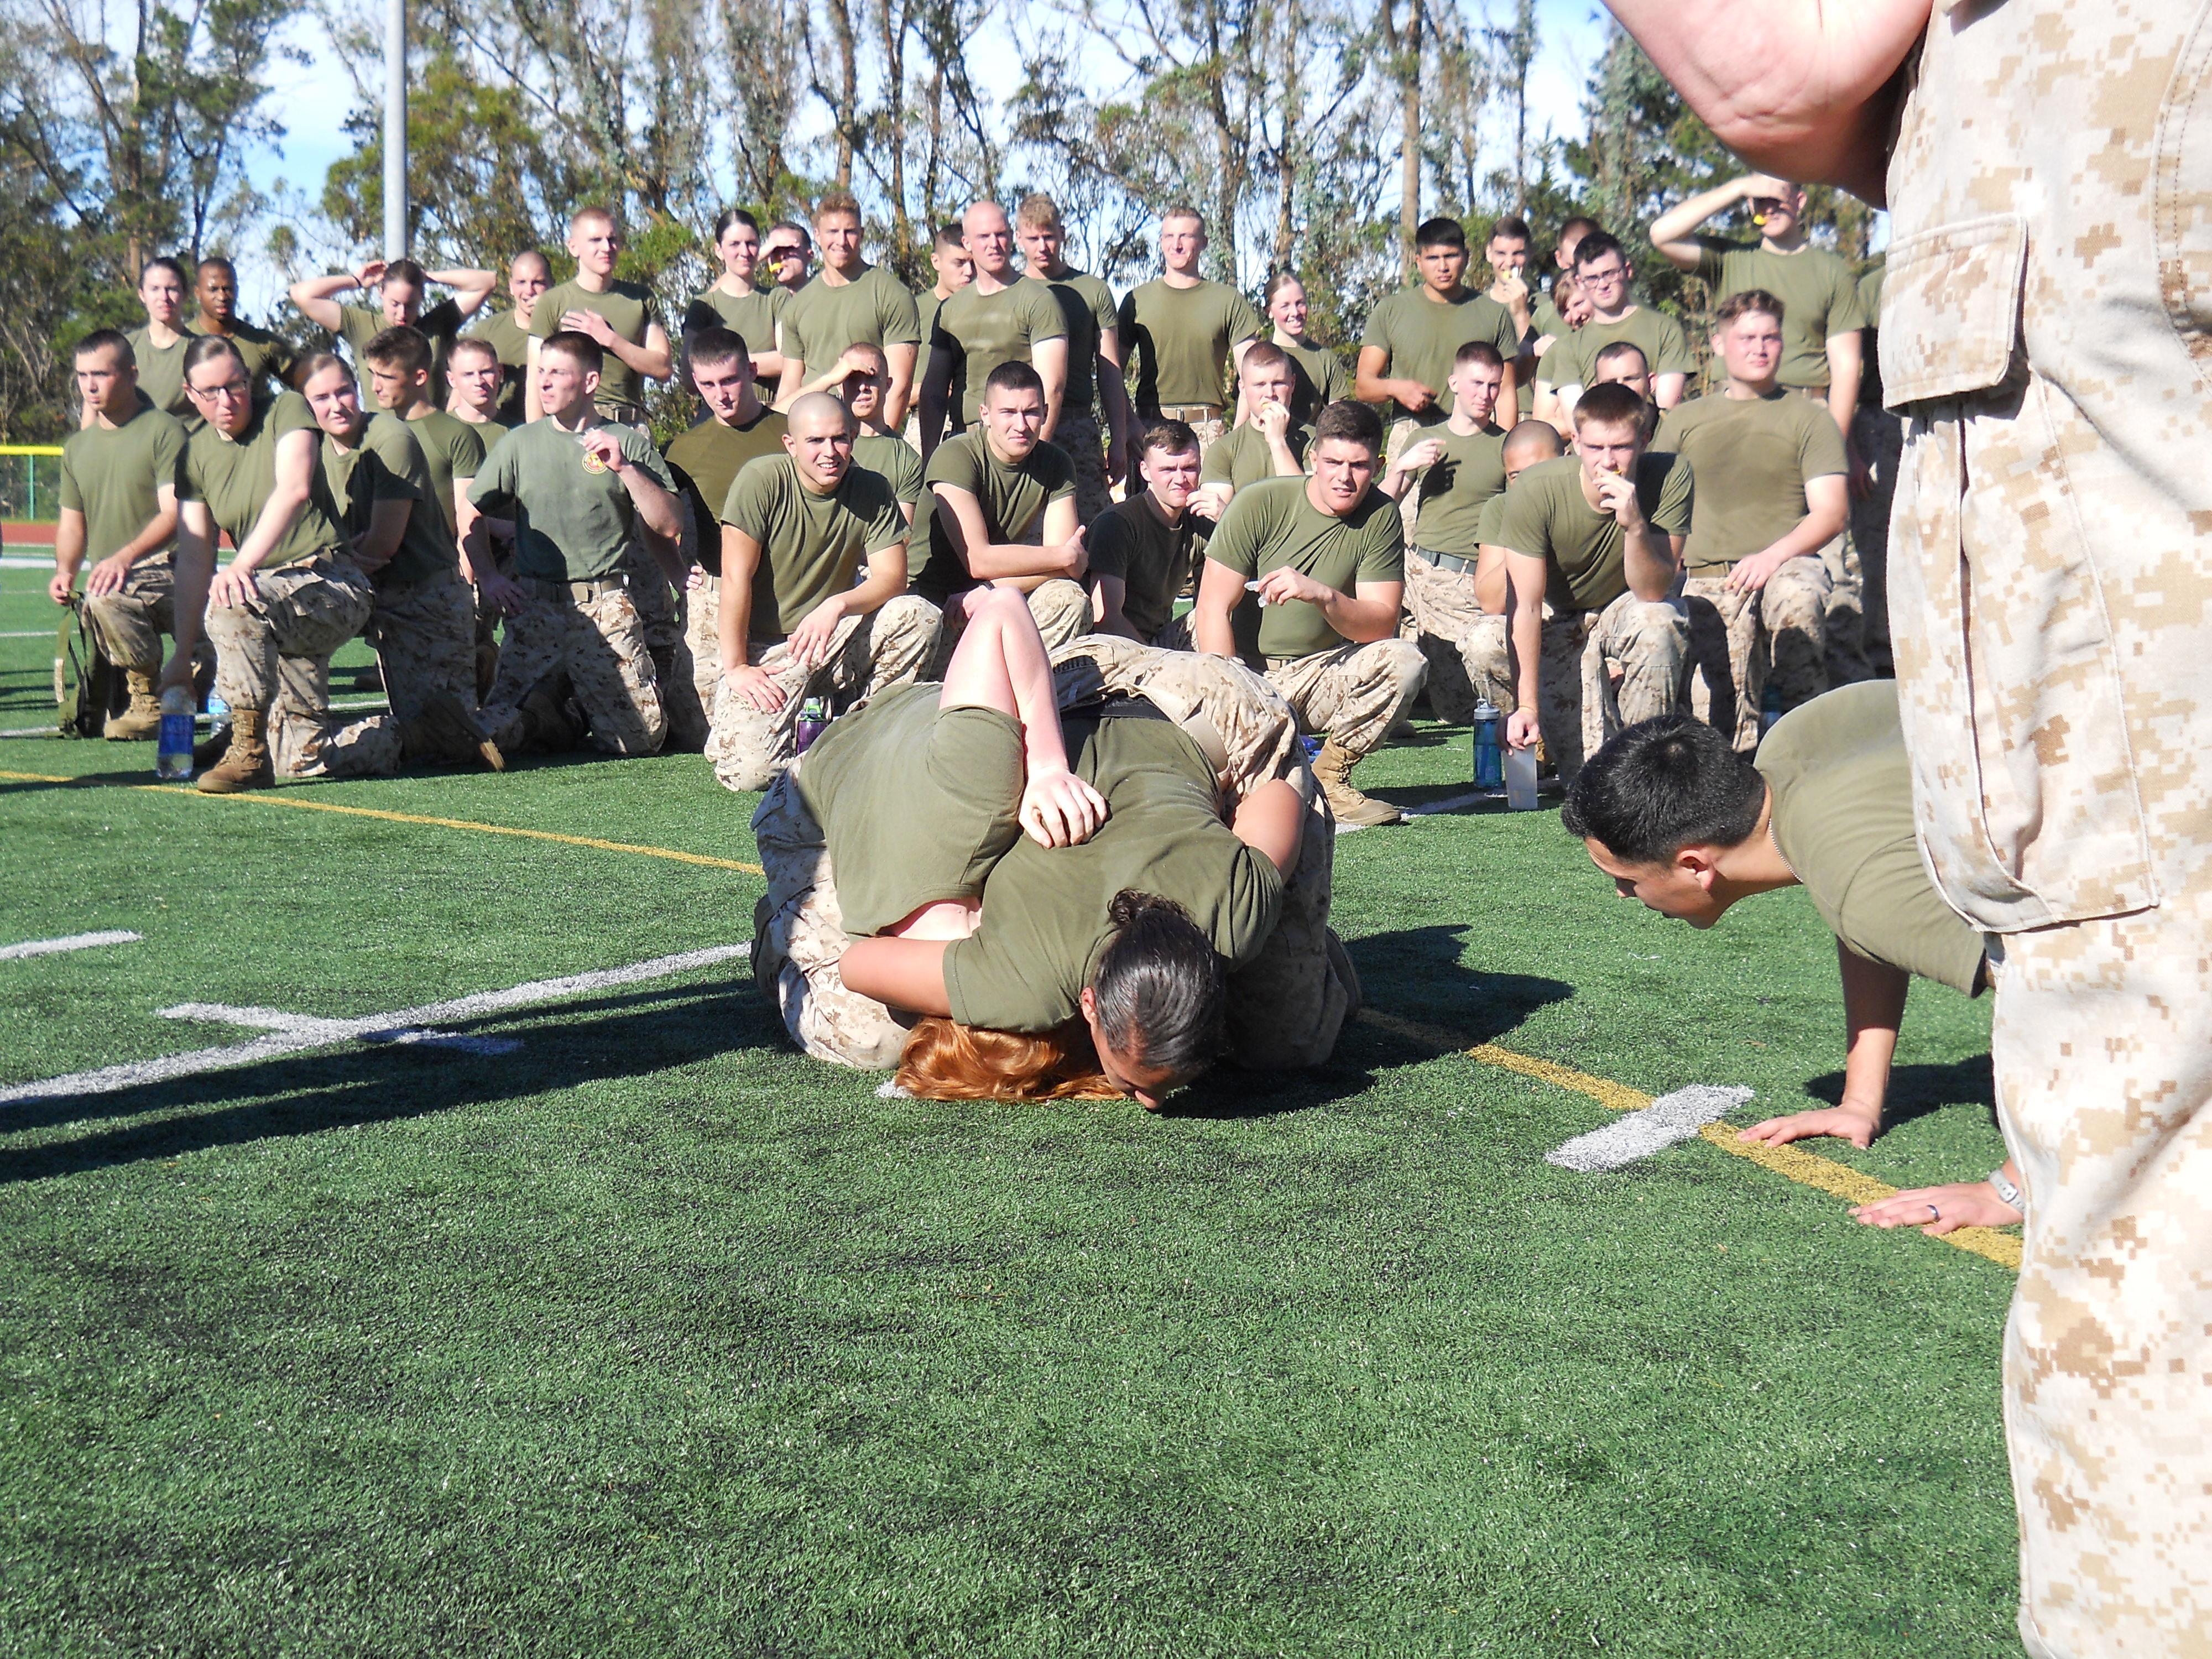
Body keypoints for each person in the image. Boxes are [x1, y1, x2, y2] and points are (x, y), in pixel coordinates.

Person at [1610, 7, 2212, 1647]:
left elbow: (1774, 71)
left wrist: (2024, 1171)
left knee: (2143, 1220)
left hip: (2106, 194)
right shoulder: (1801, 771)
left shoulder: (1837, 829)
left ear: (1684, 862)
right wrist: (1872, 1101)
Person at [1559, 687, 2022, 1229]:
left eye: (1626, 879)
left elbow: (2071, 988)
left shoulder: (1859, 887)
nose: (1621, 894)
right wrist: (1859, 1101)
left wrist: (2012, 1189)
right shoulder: (1797, 738)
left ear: (1692, 866)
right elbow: (1859, 912)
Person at [824, 597, 1308, 1108]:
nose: (1152, 1104)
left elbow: (1276, 795)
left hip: (1146, 698)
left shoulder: (1235, 918)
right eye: (1135, 1083)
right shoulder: (1025, 978)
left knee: (1296, 1036)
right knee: (1288, 1037)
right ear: (1088, 1004)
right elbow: (857, 964)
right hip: (1174, 702)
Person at [1193, 399, 1425, 828]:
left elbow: (1380, 624)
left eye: (1358, 465)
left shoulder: (1381, 516)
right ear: (1313, 458)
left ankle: (1331, 777)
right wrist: (1233, 698)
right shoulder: (1260, 502)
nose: (1344, 476)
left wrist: (1323, 595)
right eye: (1333, 461)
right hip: (1245, 673)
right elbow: (1211, 609)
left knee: (1406, 662)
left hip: (1317, 673)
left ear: (1377, 465)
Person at [159, 337, 376, 792]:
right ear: (190, 394)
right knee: (301, 760)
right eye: (211, 391)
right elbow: (195, 555)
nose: (227, 400)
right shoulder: (195, 454)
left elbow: (294, 488)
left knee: (233, 606)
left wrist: (242, 565)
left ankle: (246, 750)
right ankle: (415, 734)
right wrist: (181, 657)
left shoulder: (286, 410)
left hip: (328, 584)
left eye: (236, 385)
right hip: (272, 602)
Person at [463, 330, 682, 758]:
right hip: (535, 608)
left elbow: (669, 523)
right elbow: (471, 515)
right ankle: (552, 712)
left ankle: (576, 708)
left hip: (604, 606)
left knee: (638, 743)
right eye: (541, 372)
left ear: (589, 382)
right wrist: (488, 577)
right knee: (492, 729)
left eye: (558, 373)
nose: (543, 382)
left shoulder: (628, 441)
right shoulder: (520, 443)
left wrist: (625, 469)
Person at [707, 392, 940, 791]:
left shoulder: (872, 488)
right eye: (815, 441)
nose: (830, 453)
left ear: (852, 437)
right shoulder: (761, 481)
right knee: (751, 773)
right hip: (770, 652)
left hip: (830, 635)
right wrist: (738, 667)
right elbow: (735, 578)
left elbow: (892, 579)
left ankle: (870, 732)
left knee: (918, 614)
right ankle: (760, 722)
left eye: (840, 439)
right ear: (791, 444)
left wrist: (838, 604)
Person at [1654, 290, 1848, 750]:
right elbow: (1659, 512)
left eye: (1770, 337)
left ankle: (1808, 747)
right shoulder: (1684, 421)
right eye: (1746, 337)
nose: (1759, 348)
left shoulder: (1809, 418)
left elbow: (1832, 512)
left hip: (1785, 565)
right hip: (1707, 581)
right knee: (1717, 731)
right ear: (1719, 343)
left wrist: (1770, 558)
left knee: (1798, 598)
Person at [298, 351, 501, 772]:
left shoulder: (390, 437)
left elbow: (381, 545)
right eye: (321, 398)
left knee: (455, 740)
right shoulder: (309, 450)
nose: (337, 405)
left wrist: (326, 561)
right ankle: (269, 725)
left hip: (423, 596)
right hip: (367, 589)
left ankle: (541, 714)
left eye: (344, 391)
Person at [1495, 380, 1691, 785]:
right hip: (1561, 617)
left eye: (1620, 447)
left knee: (1657, 623)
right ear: (1577, 443)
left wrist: (1635, 526)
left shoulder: (1671, 474)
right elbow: (1526, 605)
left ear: (1644, 440)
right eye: (1596, 448)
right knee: (1585, 780)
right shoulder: (1535, 490)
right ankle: (1544, 740)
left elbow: (1654, 592)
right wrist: (1527, 705)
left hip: (1628, 606)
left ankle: (1646, 767)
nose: (1608, 461)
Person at [1648, 175, 1865, 440]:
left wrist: (1836, 443)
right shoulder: (1728, 259)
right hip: (1729, 412)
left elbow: (1846, 366)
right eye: (1760, 201)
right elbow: (1662, 235)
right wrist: (1738, 188)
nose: (1769, 209)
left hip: (1804, 415)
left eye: (1777, 199)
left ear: (1800, 201)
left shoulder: (1833, 271)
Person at [51, 331, 190, 739]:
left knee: (107, 593)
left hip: (173, 574)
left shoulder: (165, 432)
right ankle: (150, 696)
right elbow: (72, 524)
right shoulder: (77, 448)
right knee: (104, 593)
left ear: (131, 374)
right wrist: (65, 571)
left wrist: (123, 557)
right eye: (82, 375)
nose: (89, 385)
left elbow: (175, 512)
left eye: (101, 374)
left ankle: (154, 698)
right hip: (117, 582)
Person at [661, 325, 791, 735]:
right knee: (699, 728)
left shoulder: (794, 432)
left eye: (731, 379)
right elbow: (654, 520)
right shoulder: (683, 450)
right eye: (709, 384)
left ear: (752, 372)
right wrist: (676, 570)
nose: (722, 394)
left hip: (790, 587)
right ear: (695, 384)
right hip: (719, 595)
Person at [912, 361, 1091, 652]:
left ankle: (1044, 692)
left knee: (1067, 596)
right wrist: (1064, 557)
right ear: (985, 415)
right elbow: (979, 560)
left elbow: (1065, 569)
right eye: (1008, 413)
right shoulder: (955, 456)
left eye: (1032, 412)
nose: (1021, 426)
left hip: (995, 595)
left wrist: (994, 590)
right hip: (938, 605)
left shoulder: (1057, 464)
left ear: (1046, 413)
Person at [1356, 218, 1521, 510]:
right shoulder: (1391, 310)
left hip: (1477, 433)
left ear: (1466, 257)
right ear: (1418, 262)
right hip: (1411, 434)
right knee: (1396, 524)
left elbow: (1506, 391)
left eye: (1451, 256)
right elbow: (1363, 385)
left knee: (1473, 524)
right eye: (1433, 258)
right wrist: (1396, 389)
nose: (1442, 266)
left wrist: (1503, 449)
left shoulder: (1493, 314)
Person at [1391, 341, 1511, 723]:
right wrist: (1402, 467)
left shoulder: (1507, 445)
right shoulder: (1425, 440)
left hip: (1470, 585)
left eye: (1494, 386)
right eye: (1476, 383)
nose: (1485, 394)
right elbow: (1378, 507)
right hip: (1419, 576)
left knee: (1458, 710)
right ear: (1454, 383)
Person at [919, 200, 1067, 457]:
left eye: (1000, 235)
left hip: (1018, 441)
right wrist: (932, 457)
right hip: (964, 442)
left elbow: (1052, 387)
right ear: (967, 243)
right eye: (983, 236)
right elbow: (933, 391)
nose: (994, 244)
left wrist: (1036, 455)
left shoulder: (1040, 301)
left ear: (1011, 237)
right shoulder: (950, 310)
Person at [1016, 194, 1129, 521]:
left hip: (1076, 423)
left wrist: (1118, 439)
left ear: (1063, 234)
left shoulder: (1092, 290)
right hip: (1019, 420)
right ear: (1019, 238)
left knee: (1093, 526)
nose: (1042, 247)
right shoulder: (1009, 290)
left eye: (1049, 237)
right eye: (1033, 238)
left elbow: (1109, 370)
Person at [1117, 205, 1264, 450]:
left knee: (1213, 491)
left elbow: (1254, 374)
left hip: (1208, 432)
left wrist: (1238, 433)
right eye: (1169, 237)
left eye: (1186, 236)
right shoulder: (1137, 300)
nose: (1177, 245)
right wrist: (1130, 423)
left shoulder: (1228, 300)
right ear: (1161, 241)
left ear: (1204, 242)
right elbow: (1111, 370)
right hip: (1150, 428)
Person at [774, 192, 921, 422]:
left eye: (850, 232)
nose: (841, 241)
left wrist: (881, 448)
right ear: (817, 236)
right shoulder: (797, 306)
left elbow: (898, 386)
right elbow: (790, 387)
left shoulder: (891, 295)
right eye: (832, 232)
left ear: (862, 235)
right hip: (810, 436)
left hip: (865, 435)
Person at [1534, 232, 1694, 431]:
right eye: (1592, 278)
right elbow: (1578, 425)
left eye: (1610, 274)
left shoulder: (1666, 330)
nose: (1602, 285)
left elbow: (1667, 411)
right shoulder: (1568, 348)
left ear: (1627, 270)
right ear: (1580, 282)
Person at [526, 208, 671, 424]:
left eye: (612, 239)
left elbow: (664, 368)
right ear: (573, 247)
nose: (606, 248)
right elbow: (535, 382)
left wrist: (611, 340)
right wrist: (536, 441)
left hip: (629, 427)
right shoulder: (552, 302)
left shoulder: (641, 298)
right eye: (596, 240)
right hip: (571, 427)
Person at [290, 257, 496, 402]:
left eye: (411, 305)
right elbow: (301, 295)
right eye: (395, 303)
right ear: (381, 292)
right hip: (380, 444)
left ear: (422, 298)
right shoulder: (360, 325)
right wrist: (355, 281)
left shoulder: (437, 325)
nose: (402, 313)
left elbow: (487, 281)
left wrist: (430, 277)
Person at [1088, 419, 1214, 646]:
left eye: (1189, 468)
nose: (1180, 479)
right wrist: (1157, 662)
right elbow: (1106, 619)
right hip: (1112, 647)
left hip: (1158, 640)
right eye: (1167, 470)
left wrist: (1226, 521)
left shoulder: (1200, 523)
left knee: (1211, 615)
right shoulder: (1118, 525)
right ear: (1144, 471)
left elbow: (1233, 588)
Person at [359, 326, 485, 539]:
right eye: (372, 374)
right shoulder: (371, 433)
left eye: (387, 377)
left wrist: (466, 572)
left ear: (420, 377)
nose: (375, 387)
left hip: (440, 567)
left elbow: (469, 523)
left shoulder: (457, 436)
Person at [1848, 259, 1896, 675]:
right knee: (1876, 547)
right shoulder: (1870, 288)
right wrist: (1850, 449)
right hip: (1879, 421)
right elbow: (1845, 369)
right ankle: (1880, 663)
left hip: (1952, 416)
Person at [1196, 342, 1311, 513]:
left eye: (1279, 383)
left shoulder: (1314, 441)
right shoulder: (1224, 450)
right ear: (1242, 387)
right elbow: (1216, 522)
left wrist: (1277, 441)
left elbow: (1307, 509)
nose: (1270, 394)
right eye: (1259, 385)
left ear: (1293, 383)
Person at [683, 208, 787, 388]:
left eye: (751, 243)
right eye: (734, 244)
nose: (745, 252)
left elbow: (787, 360)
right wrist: (753, 364)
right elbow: (689, 377)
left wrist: (720, 366)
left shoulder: (777, 298)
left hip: (771, 409)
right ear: (719, 250)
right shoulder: (704, 307)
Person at [832, 342, 925, 522]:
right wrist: (828, 379)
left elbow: (901, 536)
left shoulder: (905, 460)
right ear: (839, 384)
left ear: (888, 384)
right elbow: (780, 417)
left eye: (871, 378)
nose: (862, 387)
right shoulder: (821, 445)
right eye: (853, 378)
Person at [190, 257, 296, 401]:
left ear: (237, 290)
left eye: (228, 289)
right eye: (213, 289)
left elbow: (309, 384)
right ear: (198, 293)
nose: (222, 297)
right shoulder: (181, 340)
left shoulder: (263, 343)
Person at [465, 251, 551, 425]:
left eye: (538, 283)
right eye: (522, 282)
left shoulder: (564, 332)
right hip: (498, 431)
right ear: (511, 287)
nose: (529, 291)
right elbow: (461, 390)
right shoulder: (486, 331)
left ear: (551, 284)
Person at [1261, 273, 1352, 427]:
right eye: (1285, 306)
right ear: (1269, 311)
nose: (1295, 313)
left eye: (1300, 303)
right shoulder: (1257, 357)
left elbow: (1338, 422)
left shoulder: (1325, 359)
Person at [913, 223, 975, 436]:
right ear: (936, 261)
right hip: (919, 420)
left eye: (973, 263)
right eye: (959, 263)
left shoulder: (986, 308)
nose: (969, 272)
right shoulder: (912, 311)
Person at [123, 259, 197, 419]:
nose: (164, 297)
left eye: (172, 289)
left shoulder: (201, 350)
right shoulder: (124, 348)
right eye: (155, 289)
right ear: (142, 295)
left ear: (185, 295)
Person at [1481, 215, 1538, 418]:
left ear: (1529, 254)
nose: (1510, 262)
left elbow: (1538, 372)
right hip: (1489, 414)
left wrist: (1522, 314)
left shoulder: (1548, 306)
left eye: (1518, 254)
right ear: (1489, 254)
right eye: (1501, 254)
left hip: (1532, 415)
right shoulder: (1476, 307)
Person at [443, 337, 513, 432]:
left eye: (486, 372)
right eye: (468, 374)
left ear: (500, 372)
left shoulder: (518, 434)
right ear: (452, 379)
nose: (479, 382)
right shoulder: (437, 432)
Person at [760, 221, 813, 296]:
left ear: (810, 256)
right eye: (775, 250)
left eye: (789, 248)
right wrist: (757, 257)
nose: (782, 257)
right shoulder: (765, 301)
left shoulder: (823, 299)